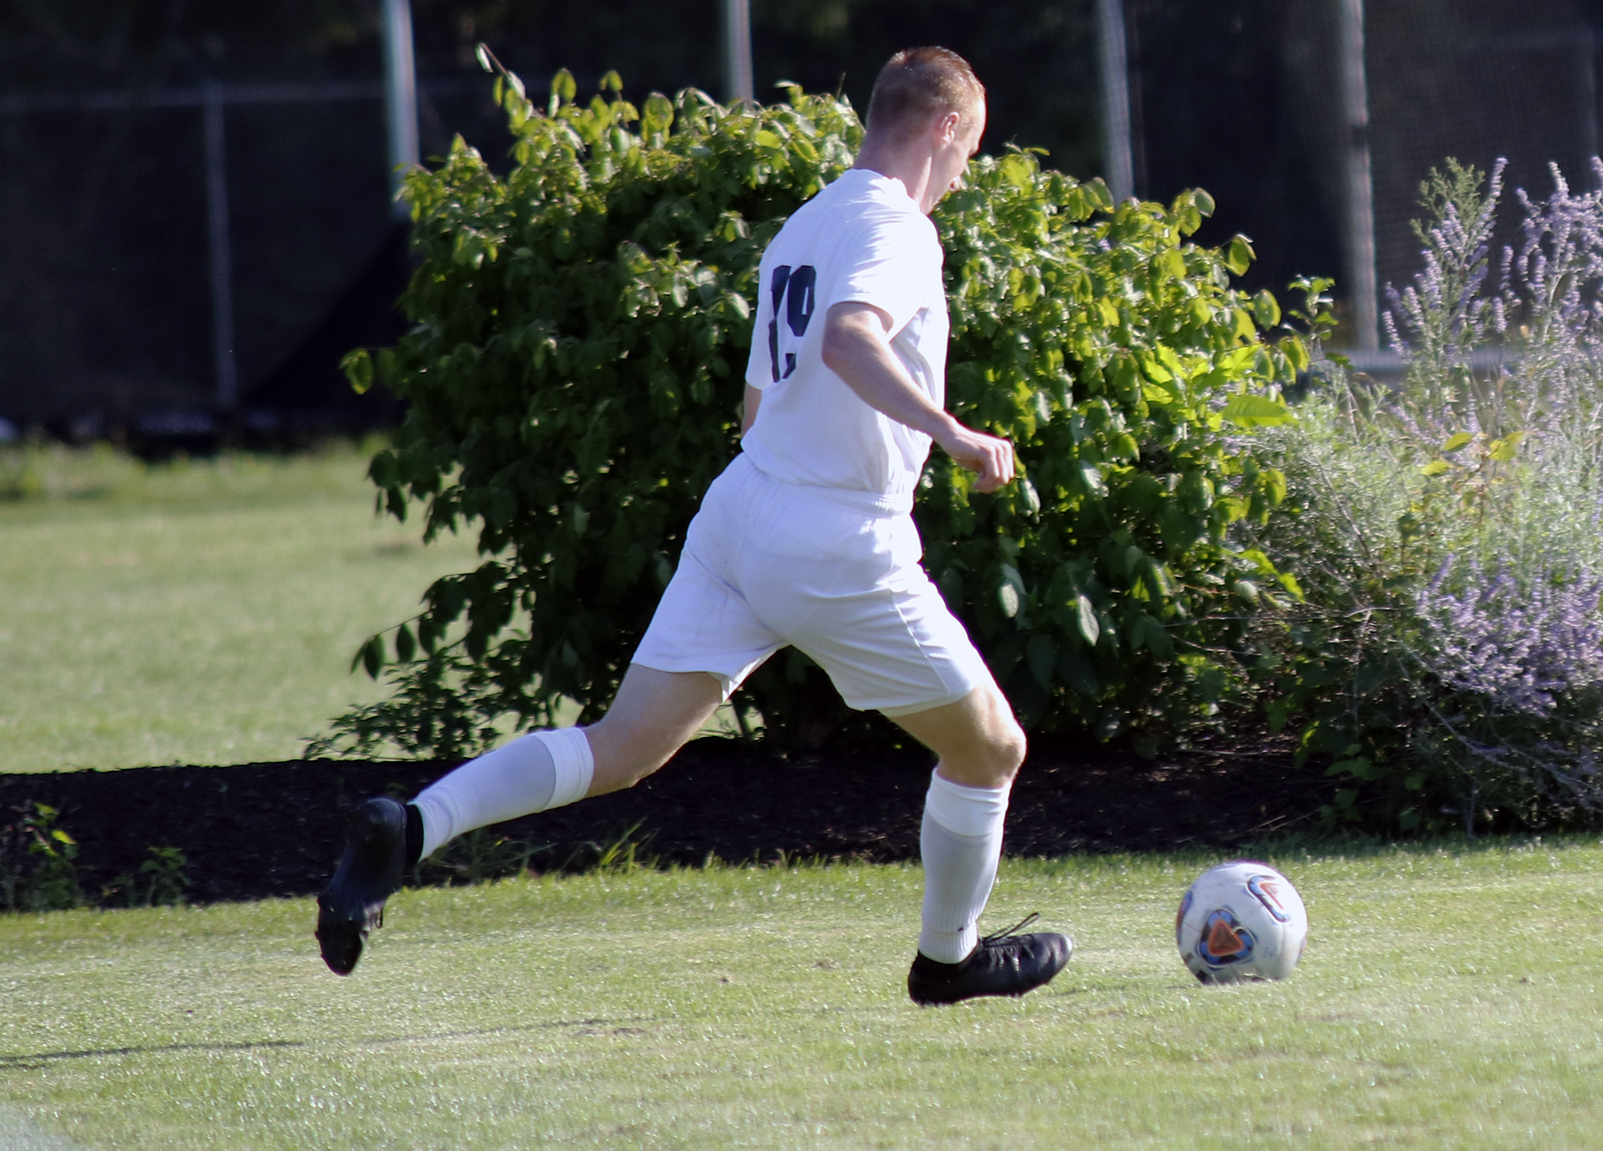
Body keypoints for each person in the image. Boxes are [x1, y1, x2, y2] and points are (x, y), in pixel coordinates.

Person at [315, 47, 1072, 1006]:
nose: (965, 175)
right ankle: (949, 959)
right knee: (989, 750)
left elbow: (758, 412)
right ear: (946, 129)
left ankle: (410, 827)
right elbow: (849, 336)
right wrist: (952, 433)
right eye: (971, 151)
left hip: (743, 511)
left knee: (622, 747)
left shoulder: (805, 225)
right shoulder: (898, 228)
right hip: (836, 538)